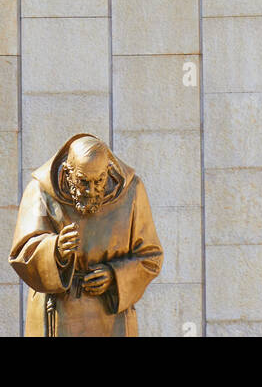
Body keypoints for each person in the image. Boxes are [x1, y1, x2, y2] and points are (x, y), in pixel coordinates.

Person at [10, 133, 163, 336]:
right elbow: (22, 252)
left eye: (98, 181)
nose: (91, 191)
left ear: (108, 171)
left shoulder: (131, 192)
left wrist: (115, 277)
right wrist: (55, 250)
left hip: (109, 315)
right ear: (67, 172)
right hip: (57, 312)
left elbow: (150, 257)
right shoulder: (40, 190)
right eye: (83, 181)